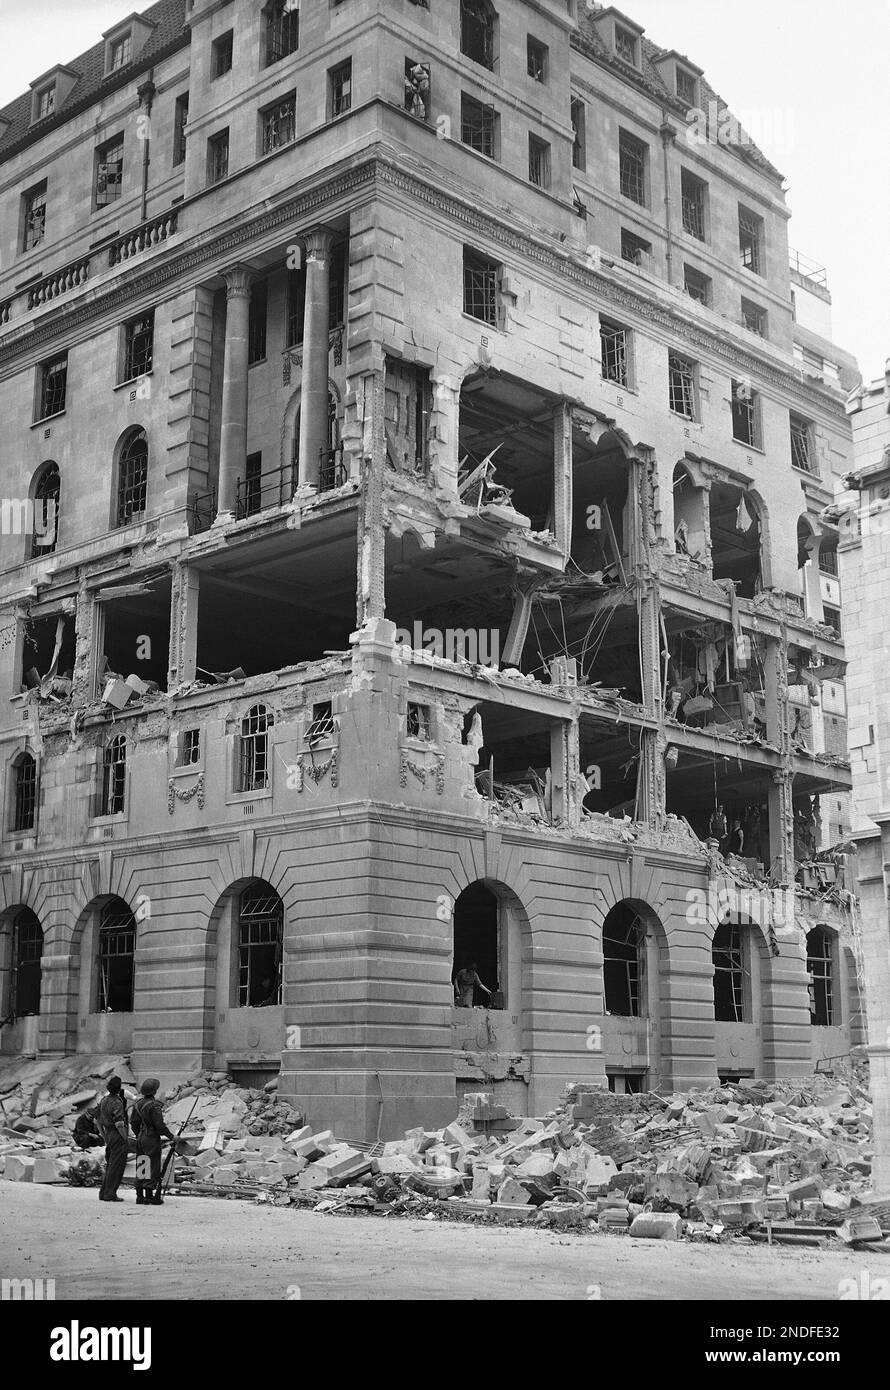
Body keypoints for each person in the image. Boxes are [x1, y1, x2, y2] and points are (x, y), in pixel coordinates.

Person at [131, 1078, 179, 1206]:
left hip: (140, 1137)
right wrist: (172, 1137)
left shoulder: (138, 1104)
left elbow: (133, 1123)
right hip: (151, 1138)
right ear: (154, 1091)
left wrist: (139, 1134)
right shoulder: (154, 1105)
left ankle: (139, 1196)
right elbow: (160, 1126)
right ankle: (149, 1196)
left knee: (142, 1164)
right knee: (152, 1166)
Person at [97, 1076, 129, 1203]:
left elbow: (97, 1121)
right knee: (117, 1166)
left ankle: (104, 1192)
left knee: (110, 1164)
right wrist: (125, 1138)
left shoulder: (103, 1100)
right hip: (117, 1135)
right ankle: (110, 1193)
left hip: (109, 1134)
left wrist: (104, 1136)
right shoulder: (117, 1102)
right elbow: (119, 1124)